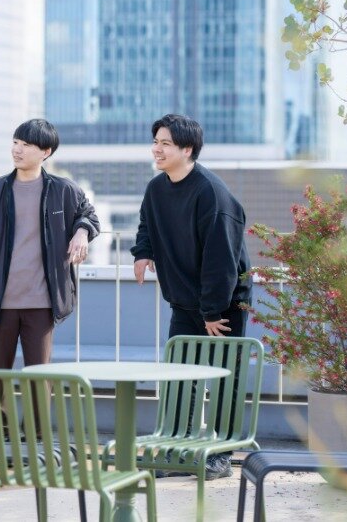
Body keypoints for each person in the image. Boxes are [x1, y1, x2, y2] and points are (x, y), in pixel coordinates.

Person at [131, 113, 252, 480]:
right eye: (155, 142)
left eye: (165, 143)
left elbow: (222, 259)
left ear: (187, 149)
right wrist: (142, 252)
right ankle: (177, 450)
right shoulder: (157, 188)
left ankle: (221, 456)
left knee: (224, 379)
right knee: (180, 377)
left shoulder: (211, 194)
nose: (157, 149)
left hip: (224, 304)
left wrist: (212, 311)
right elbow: (147, 223)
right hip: (184, 301)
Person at [0, 118, 100, 375]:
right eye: (15, 142)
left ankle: (37, 408)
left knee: (39, 379)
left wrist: (82, 232)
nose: (17, 149)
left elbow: (89, 215)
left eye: (26, 145)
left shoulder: (64, 190)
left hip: (42, 303)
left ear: (45, 152)